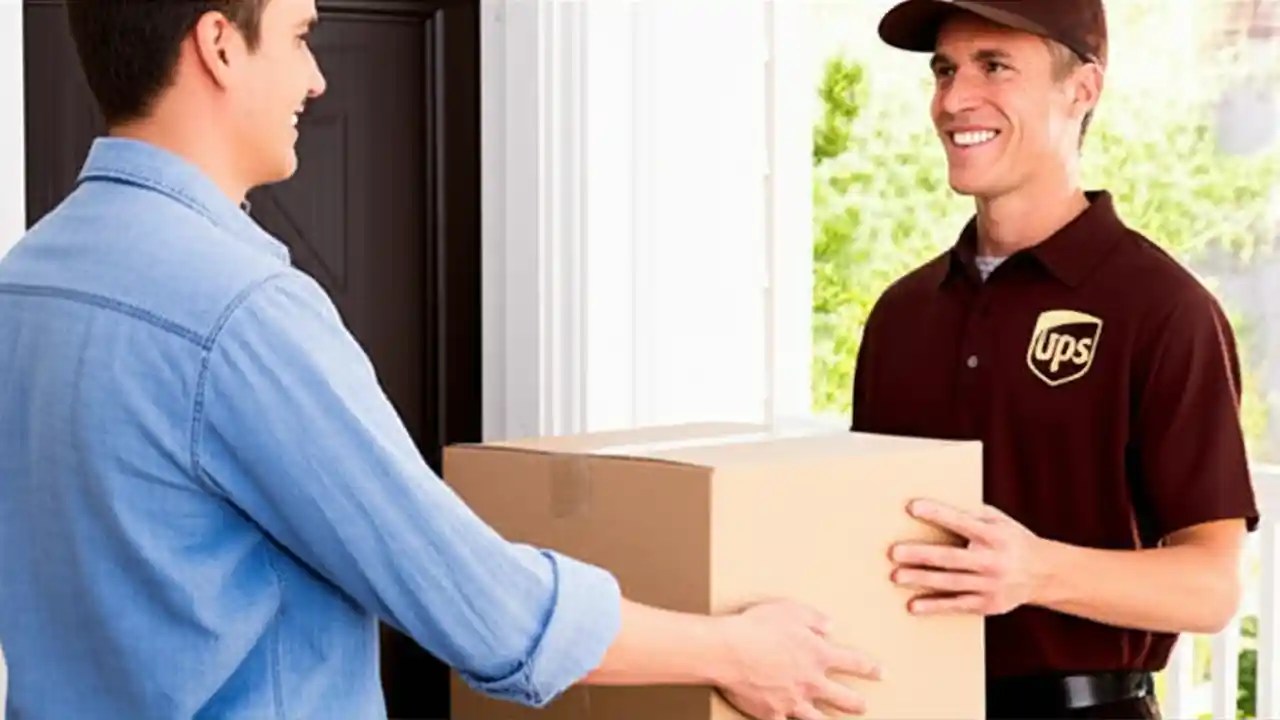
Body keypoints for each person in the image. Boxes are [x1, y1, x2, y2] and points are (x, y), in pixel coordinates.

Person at [0, 1, 881, 718]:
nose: (316, 77)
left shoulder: (24, 282)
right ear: (221, 46)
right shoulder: (242, 315)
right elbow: (476, 605)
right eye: (301, 36)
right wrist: (735, 650)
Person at [851, 1, 1261, 718]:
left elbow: (1211, 588)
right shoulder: (901, 314)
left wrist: (1035, 571)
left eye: (994, 67)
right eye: (944, 71)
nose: (953, 100)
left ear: (1082, 89)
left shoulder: (1165, 310)